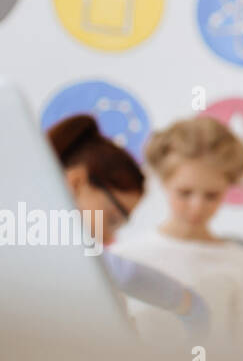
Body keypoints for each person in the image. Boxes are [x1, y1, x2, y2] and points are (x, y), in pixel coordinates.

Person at [46, 114, 210, 339]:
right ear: (76, 183)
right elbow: (126, 274)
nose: (109, 236)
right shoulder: (39, 238)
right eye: (112, 219)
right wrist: (189, 304)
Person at [112, 116, 243, 346]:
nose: (197, 206)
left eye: (211, 195)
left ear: (228, 187)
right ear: (164, 182)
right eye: (185, 193)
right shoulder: (124, 260)